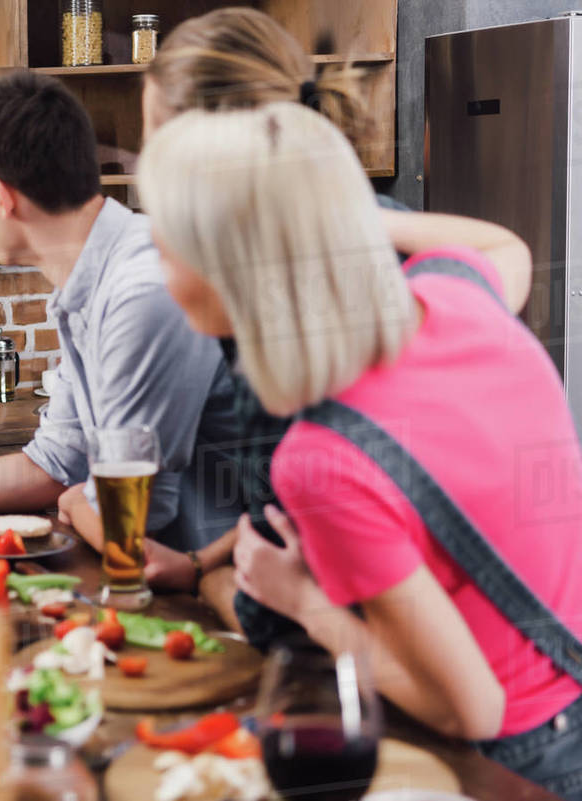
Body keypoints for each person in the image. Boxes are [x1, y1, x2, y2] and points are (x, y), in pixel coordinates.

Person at [138, 102, 582, 796]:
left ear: (233, 269)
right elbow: (505, 247)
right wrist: (330, 216)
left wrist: (303, 599)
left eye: (166, 247)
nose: (159, 273)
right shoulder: (456, 294)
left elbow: (472, 705)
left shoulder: (323, 461)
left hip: (506, 763)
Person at [0, 71, 244, 573]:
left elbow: (130, 524)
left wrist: (74, 502)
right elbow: (54, 464)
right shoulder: (89, 279)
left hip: (232, 593)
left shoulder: (141, 292)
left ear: (1, 197)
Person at [140, 6, 409, 643]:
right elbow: (294, 500)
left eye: (156, 137)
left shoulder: (278, 284)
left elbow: (293, 614)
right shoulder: (367, 225)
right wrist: (204, 563)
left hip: (384, 666)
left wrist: (209, 581)